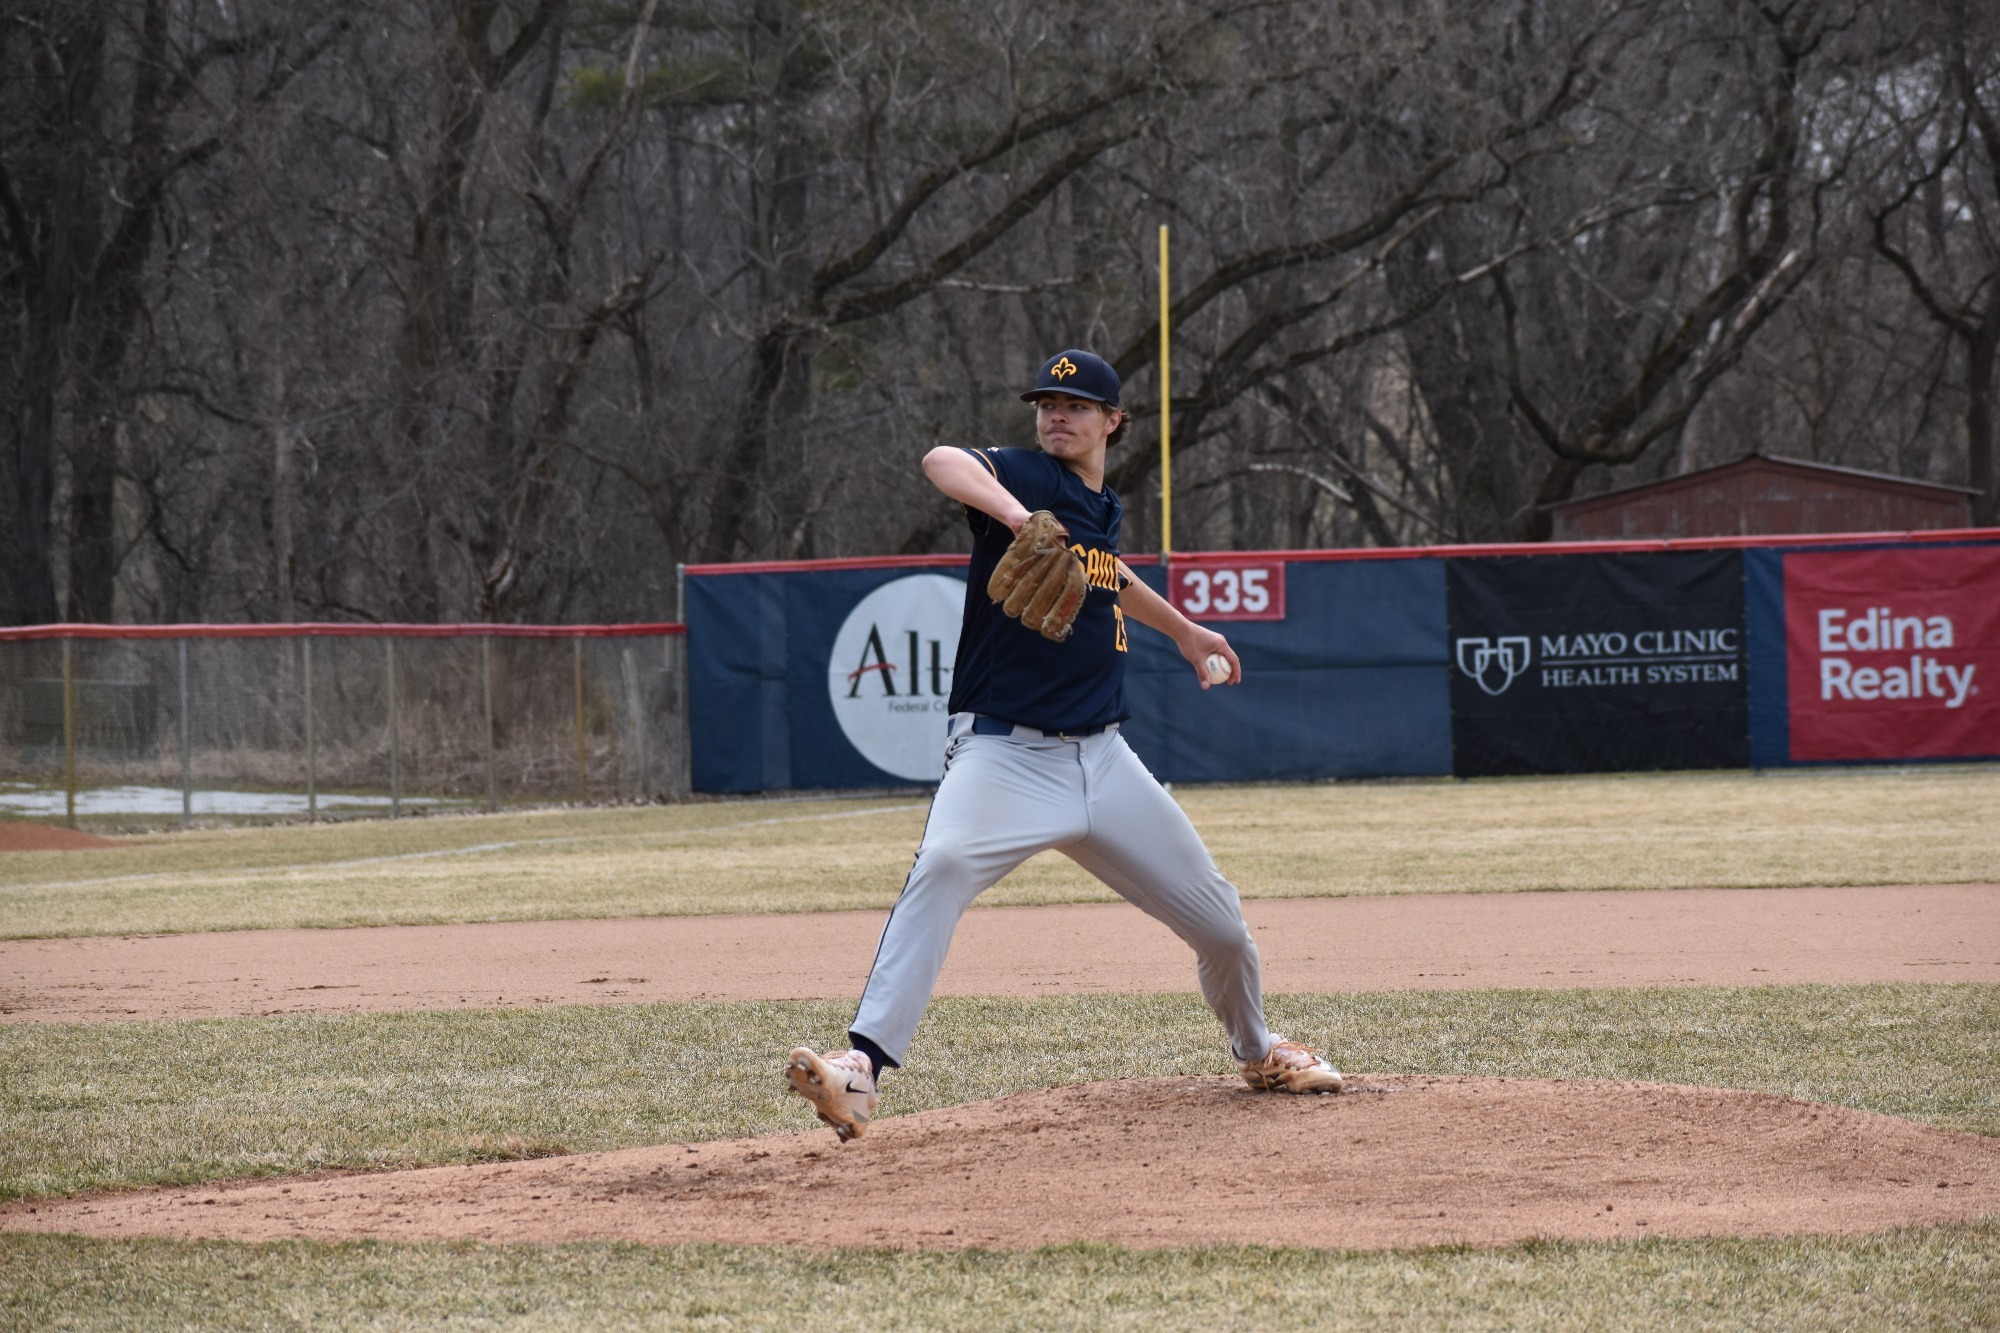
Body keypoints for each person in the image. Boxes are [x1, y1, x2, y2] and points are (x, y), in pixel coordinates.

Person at [784, 348, 1342, 1141]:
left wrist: (1184, 630)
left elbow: (1108, 573)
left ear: (1113, 421)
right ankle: (861, 1069)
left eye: (1076, 405)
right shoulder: (1029, 479)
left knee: (1221, 924)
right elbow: (941, 460)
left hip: (1105, 762)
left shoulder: (1098, 504)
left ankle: (1258, 1051)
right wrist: (1016, 517)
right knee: (943, 865)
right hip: (1004, 755)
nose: (1057, 414)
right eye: (1048, 403)